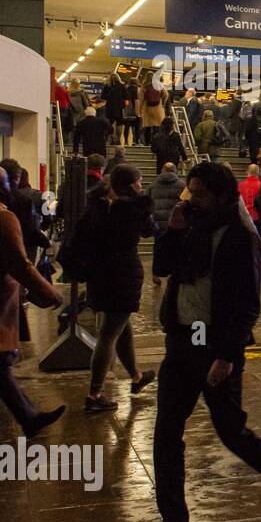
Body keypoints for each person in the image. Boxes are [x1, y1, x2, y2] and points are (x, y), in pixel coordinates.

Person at [139, 161, 261, 522]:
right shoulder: (191, 223)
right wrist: (172, 231)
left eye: (199, 193)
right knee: (166, 432)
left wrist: (228, 355)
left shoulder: (239, 235)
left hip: (214, 346)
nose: (191, 198)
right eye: (189, 191)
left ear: (222, 195)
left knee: (230, 430)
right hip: (181, 339)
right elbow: (162, 267)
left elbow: (247, 302)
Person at [79, 164, 158, 413]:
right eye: (139, 180)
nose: (141, 184)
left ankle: (136, 376)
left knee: (121, 326)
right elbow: (152, 231)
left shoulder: (98, 206)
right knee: (108, 334)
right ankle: (95, 394)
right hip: (123, 274)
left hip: (99, 274)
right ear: (132, 184)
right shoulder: (134, 209)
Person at [0, 166, 65, 439]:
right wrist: (50, 292)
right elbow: (20, 264)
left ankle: (28, 417)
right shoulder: (4, 218)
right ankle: (29, 417)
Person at [237, 163, 261, 238]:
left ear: (248, 172)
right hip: (258, 218)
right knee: (257, 240)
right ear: (258, 173)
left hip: (243, 218)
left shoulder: (240, 185)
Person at [148, 162, 184, 232]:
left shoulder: (152, 186)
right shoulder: (183, 185)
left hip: (158, 223)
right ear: (175, 171)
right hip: (176, 223)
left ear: (162, 170)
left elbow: (146, 204)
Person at [138, 78, 168, 147]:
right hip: (158, 109)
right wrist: (162, 103)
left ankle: (147, 143)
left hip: (147, 108)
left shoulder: (144, 86)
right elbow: (166, 95)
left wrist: (140, 109)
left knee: (147, 127)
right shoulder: (159, 85)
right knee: (157, 127)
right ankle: (156, 143)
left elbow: (141, 98)